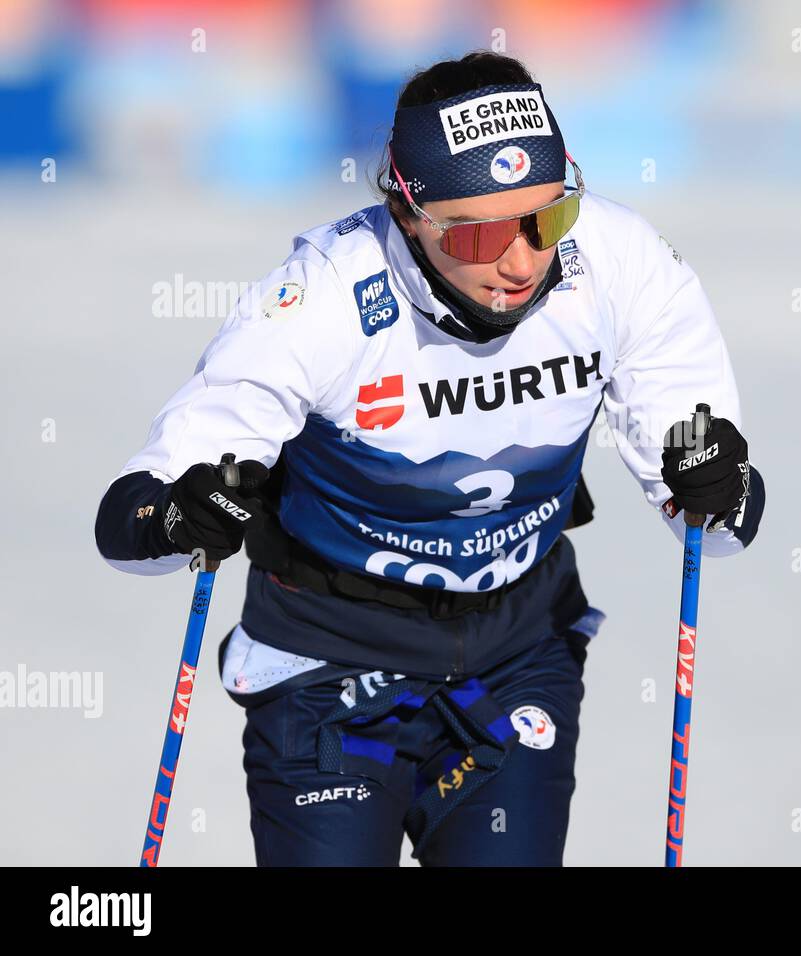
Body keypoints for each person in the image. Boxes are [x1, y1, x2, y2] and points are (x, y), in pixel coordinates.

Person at [94, 51, 764, 866]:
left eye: (547, 220)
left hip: (515, 654)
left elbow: (718, 523)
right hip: (326, 664)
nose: (521, 262)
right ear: (409, 212)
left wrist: (714, 486)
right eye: (479, 232)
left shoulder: (621, 265)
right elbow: (135, 519)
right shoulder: (325, 299)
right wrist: (178, 515)